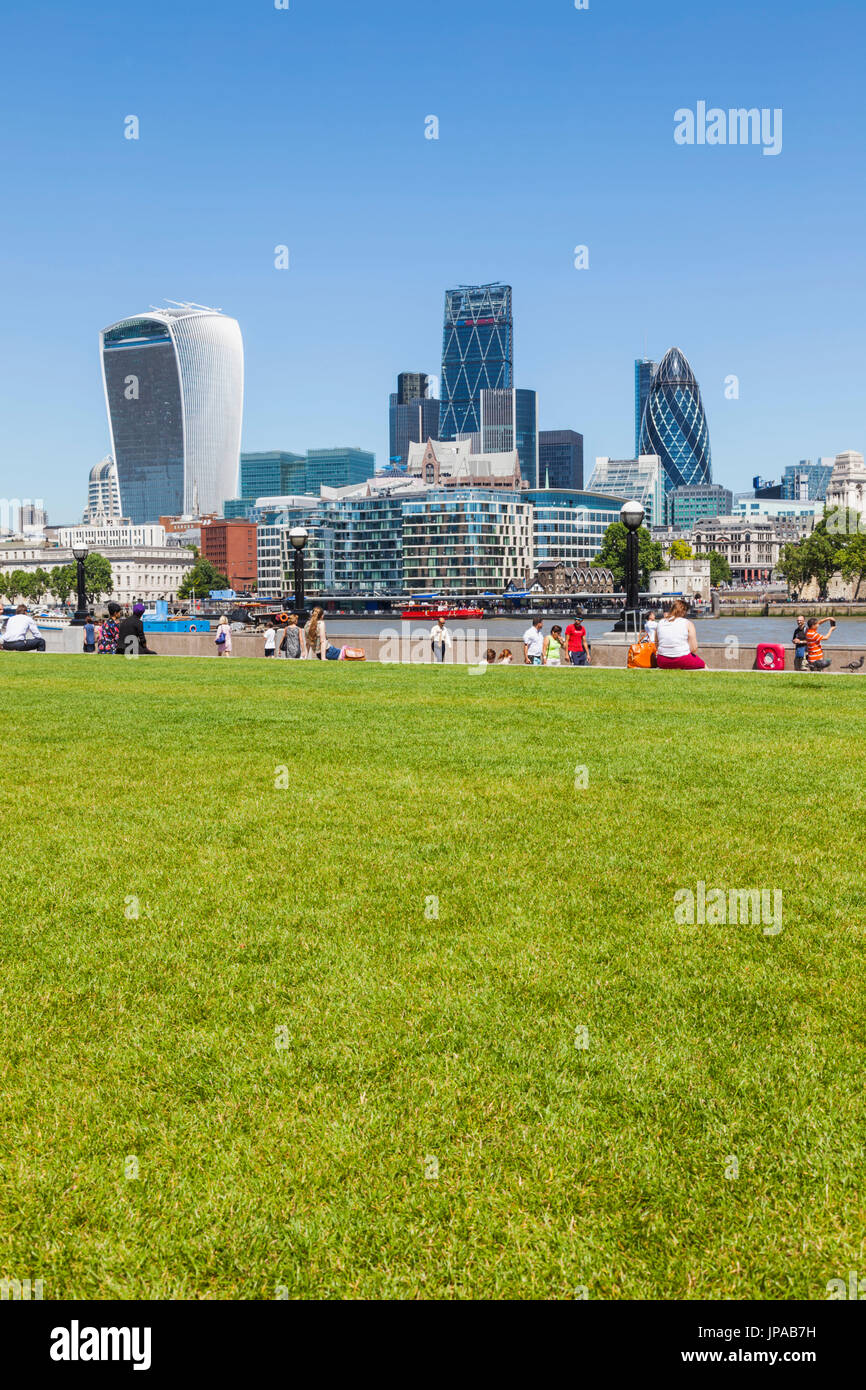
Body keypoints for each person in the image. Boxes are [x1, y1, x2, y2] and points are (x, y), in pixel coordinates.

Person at [655, 599, 706, 670]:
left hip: (662, 661)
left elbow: (657, 644)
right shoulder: (688, 623)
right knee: (703, 664)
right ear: (684, 612)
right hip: (682, 659)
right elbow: (694, 648)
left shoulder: (660, 622)